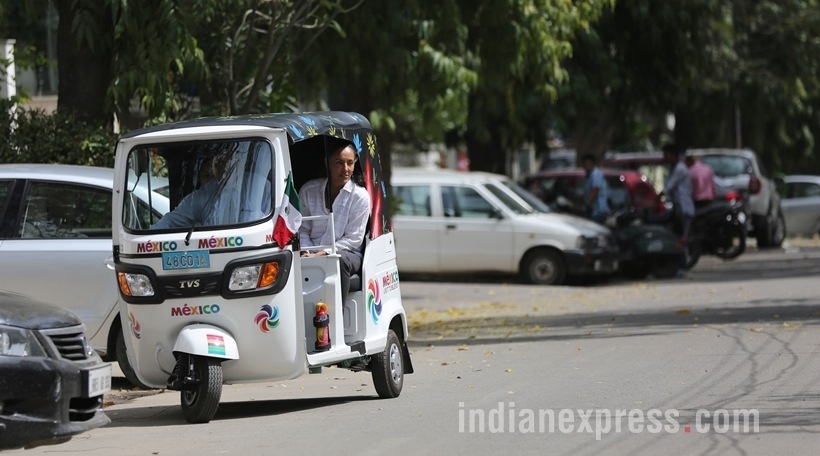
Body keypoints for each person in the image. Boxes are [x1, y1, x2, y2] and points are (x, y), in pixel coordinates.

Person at [298, 141, 371, 305]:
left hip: (347, 253)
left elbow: (354, 239)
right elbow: (302, 229)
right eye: (339, 163)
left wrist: (322, 253)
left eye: (350, 163)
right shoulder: (309, 190)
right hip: (310, 251)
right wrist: (305, 253)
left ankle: (336, 318)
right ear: (327, 163)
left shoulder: (360, 196)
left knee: (341, 261)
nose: (345, 169)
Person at [152, 152, 235, 229]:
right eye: (207, 175)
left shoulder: (242, 187)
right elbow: (170, 222)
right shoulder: (199, 198)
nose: (212, 182)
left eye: (216, 175)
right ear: (199, 179)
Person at [660, 143, 695, 241]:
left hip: (683, 205)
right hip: (677, 204)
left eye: (666, 155)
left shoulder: (680, 169)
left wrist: (657, 197)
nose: (665, 158)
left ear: (672, 155)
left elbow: (669, 187)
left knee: (682, 234)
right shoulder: (673, 168)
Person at [580, 153, 610, 223]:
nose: (587, 166)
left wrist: (586, 202)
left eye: (589, 164)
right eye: (585, 165)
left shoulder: (596, 173)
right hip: (593, 209)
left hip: (598, 210)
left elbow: (595, 189)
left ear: (593, 164)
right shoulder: (588, 176)